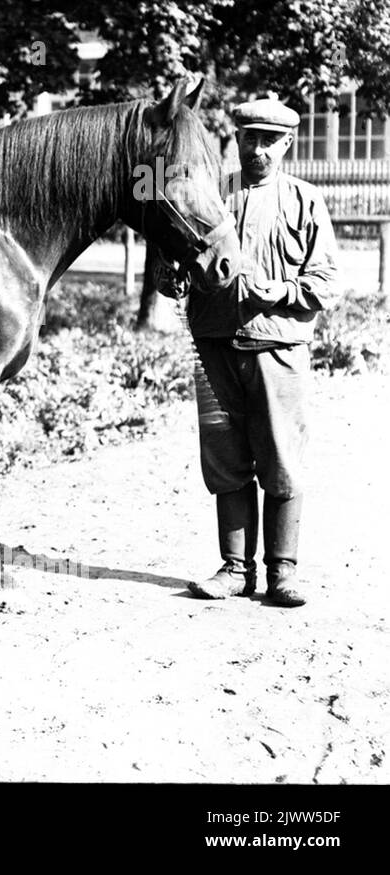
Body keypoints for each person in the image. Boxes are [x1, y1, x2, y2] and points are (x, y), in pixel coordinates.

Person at [159, 97, 339, 607]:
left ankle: (282, 572)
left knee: (281, 458)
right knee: (225, 460)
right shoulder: (210, 197)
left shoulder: (305, 201)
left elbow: (324, 282)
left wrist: (278, 290)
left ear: (287, 145)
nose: (257, 149)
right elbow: (169, 258)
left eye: (268, 140)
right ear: (235, 140)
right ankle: (235, 569)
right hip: (213, 345)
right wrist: (168, 275)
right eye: (248, 138)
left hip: (277, 348)